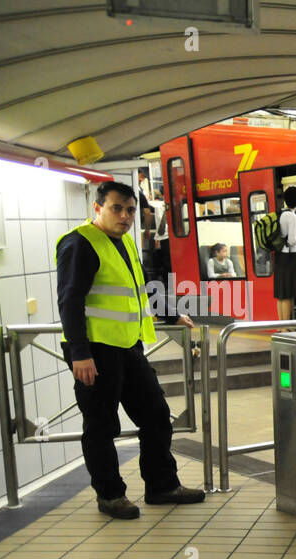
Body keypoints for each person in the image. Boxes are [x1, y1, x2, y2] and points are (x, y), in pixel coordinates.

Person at [56, 180, 206, 519]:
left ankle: (162, 485)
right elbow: (70, 300)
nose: (125, 216)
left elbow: (139, 290)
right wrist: (80, 352)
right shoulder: (80, 244)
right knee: (101, 425)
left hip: (127, 347)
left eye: (130, 211)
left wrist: (170, 313)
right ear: (97, 208)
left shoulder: (122, 243)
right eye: (116, 209)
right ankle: (110, 495)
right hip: (95, 350)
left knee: (156, 416)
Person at [273, 185, 296, 320]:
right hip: (289, 257)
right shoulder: (291, 216)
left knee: (281, 295)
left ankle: (282, 325)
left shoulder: (280, 213)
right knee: (287, 294)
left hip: (280, 256)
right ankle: (286, 327)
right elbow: (291, 240)